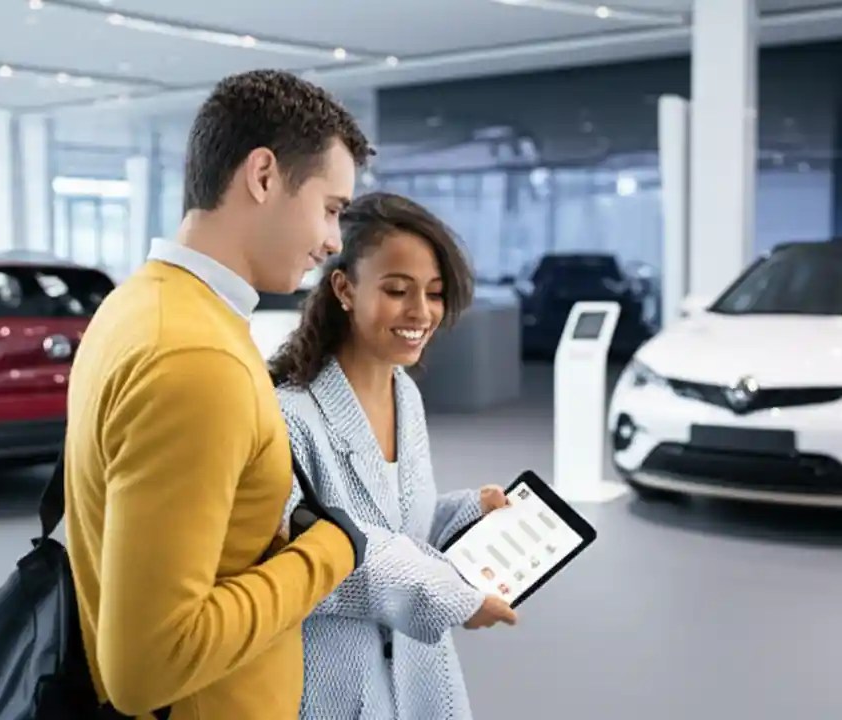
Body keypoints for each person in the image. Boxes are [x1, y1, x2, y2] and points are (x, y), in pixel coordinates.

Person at [62, 70, 374, 720]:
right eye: (330, 208)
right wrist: (327, 552)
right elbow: (147, 666)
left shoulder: (139, 306)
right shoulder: (195, 357)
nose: (334, 241)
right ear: (263, 176)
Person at [268, 192, 519, 720]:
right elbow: (304, 560)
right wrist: (445, 597)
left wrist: (467, 511)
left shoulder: (405, 395)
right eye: (397, 290)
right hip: (332, 683)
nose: (421, 313)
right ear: (343, 287)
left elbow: (397, 527)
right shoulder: (289, 416)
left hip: (418, 680)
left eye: (434, 293)